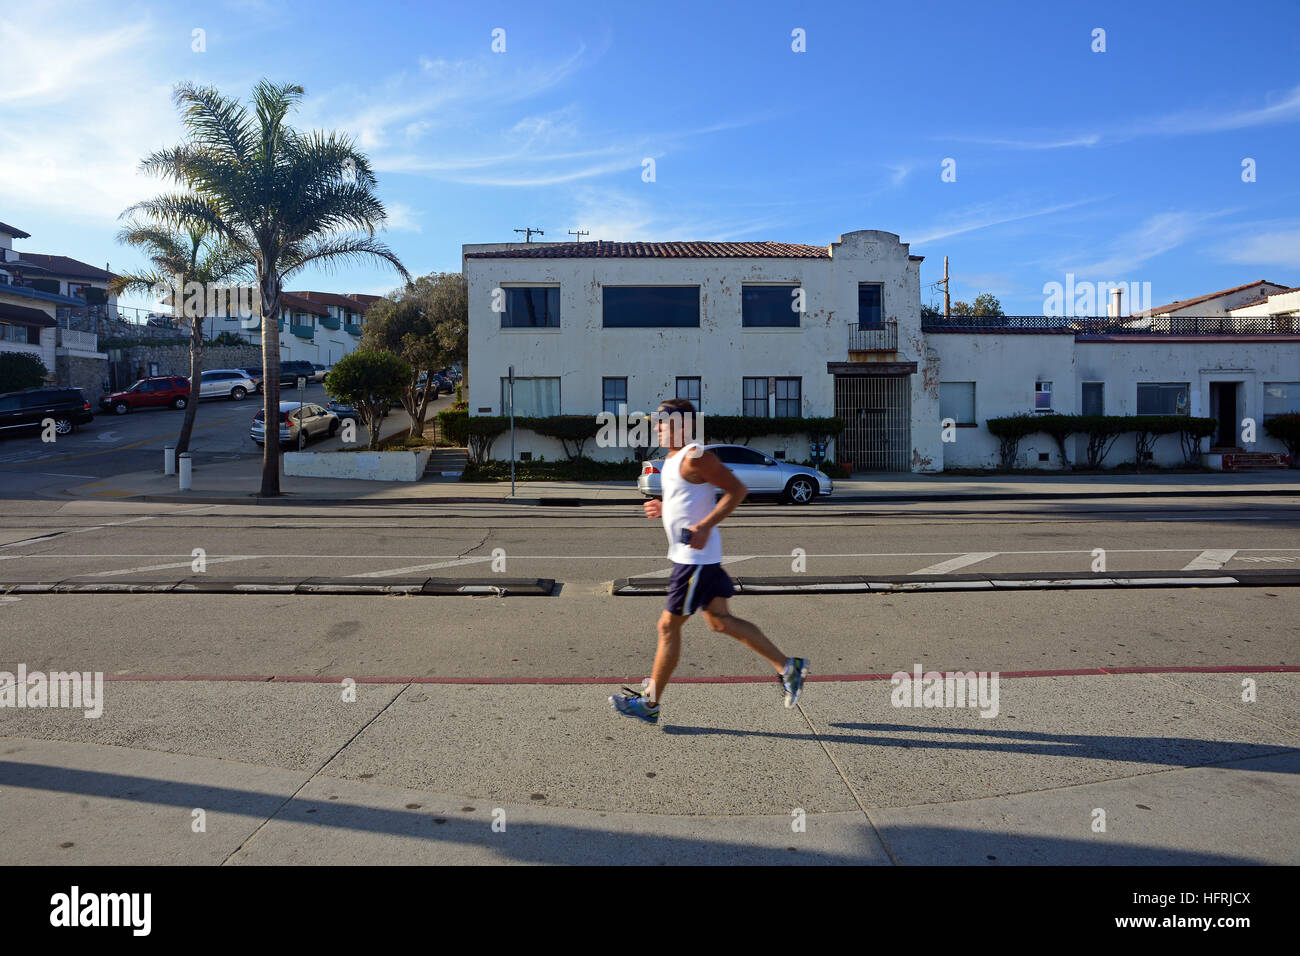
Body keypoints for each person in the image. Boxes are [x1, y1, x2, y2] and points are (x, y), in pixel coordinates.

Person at [610, 398, 809, 724]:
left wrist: (704, 526)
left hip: (694, 561)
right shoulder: (673, 459)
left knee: (667, 626)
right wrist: (663, 507)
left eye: (663, 424)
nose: (657, 429)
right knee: (719, 621)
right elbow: (687, 496)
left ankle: (650, 704)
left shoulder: (696, 456)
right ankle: (789, 668)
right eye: (656, 424)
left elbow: (736, 490)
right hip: (699, 559)